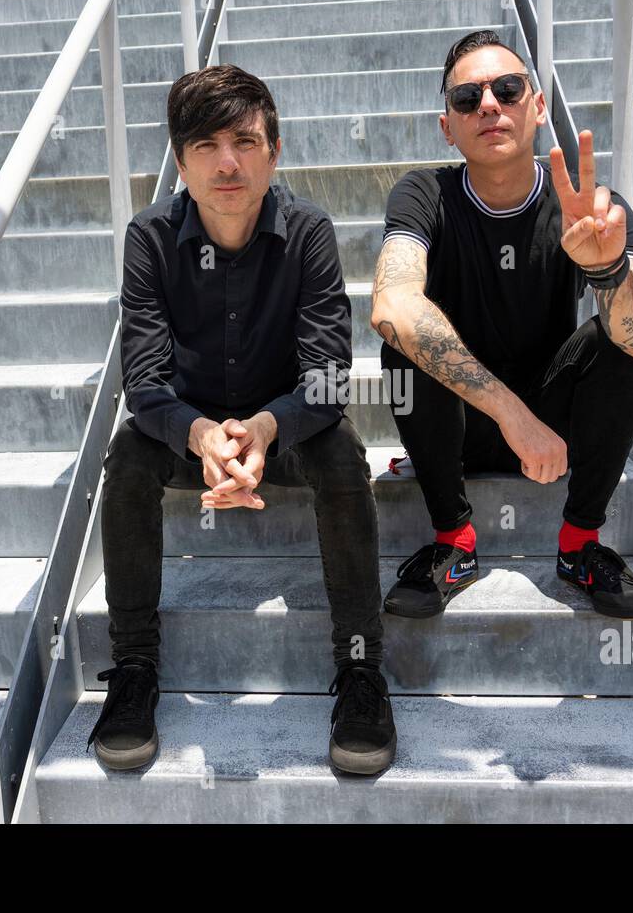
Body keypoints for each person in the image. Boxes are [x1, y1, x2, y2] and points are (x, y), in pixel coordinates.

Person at [87, 65, 395, 776]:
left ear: (274, 152)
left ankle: (360, 672)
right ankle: (134, 668)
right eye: (205, 145)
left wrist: (261, 430)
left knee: (344, 453)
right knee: (128, 457)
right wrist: (201, 436)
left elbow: (326, 376)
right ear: (180, 159)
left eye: (245, 141)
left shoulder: (309, 229)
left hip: (284, 436)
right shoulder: (151, 238)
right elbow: (145, 382)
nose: (227, 162)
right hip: (187, 437)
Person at [371, 30, 633, 621]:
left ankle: (581, 542)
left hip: (556, 429)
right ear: (446, 126)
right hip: (462, 423)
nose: (488, 105)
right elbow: (392, 306)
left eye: (507, 89)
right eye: (466, 98)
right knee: (406, 340)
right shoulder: (423, 193)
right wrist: (512, 415)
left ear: (535, 106)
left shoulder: (592, 206)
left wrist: (608, 270)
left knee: (616, 338)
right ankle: (454, 541)